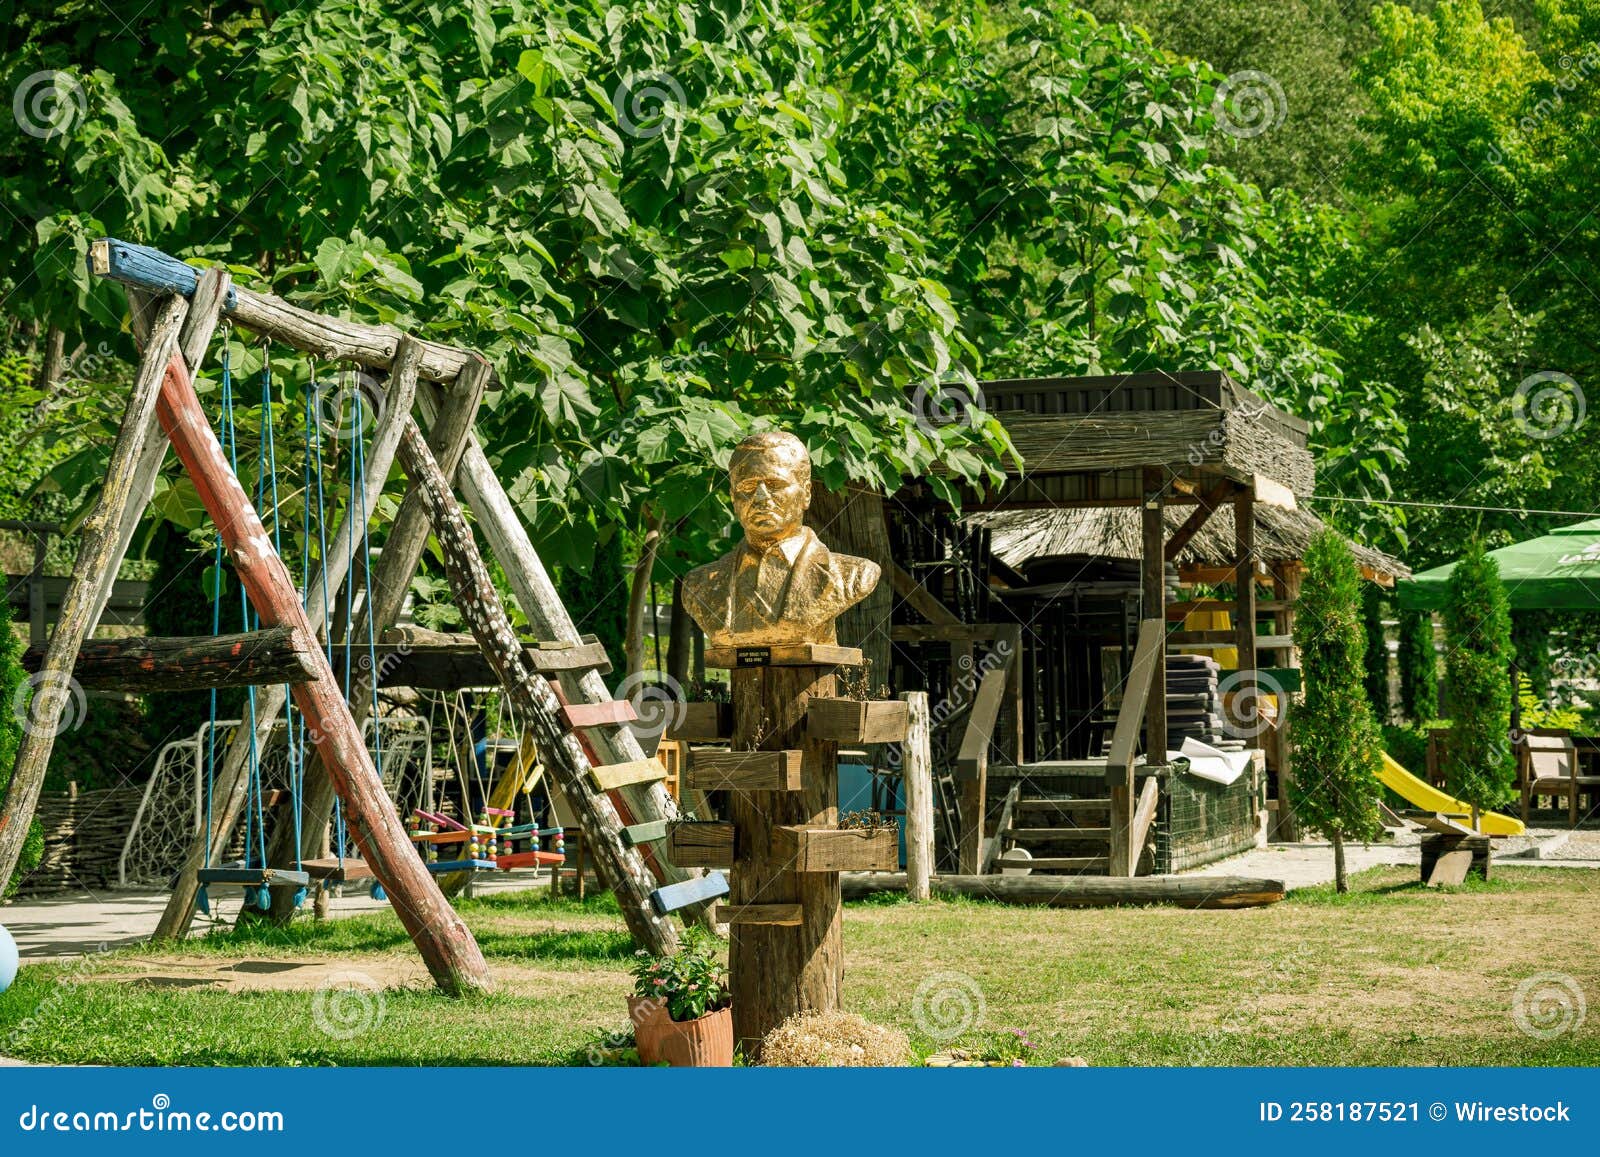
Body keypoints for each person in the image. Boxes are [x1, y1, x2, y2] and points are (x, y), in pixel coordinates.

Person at [681, 430, 879, 647]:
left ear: (806, 493)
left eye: (775, 485)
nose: (760, 497)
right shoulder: (699, 585)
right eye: (747, 487)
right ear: (732, 496)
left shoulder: (851, 575)